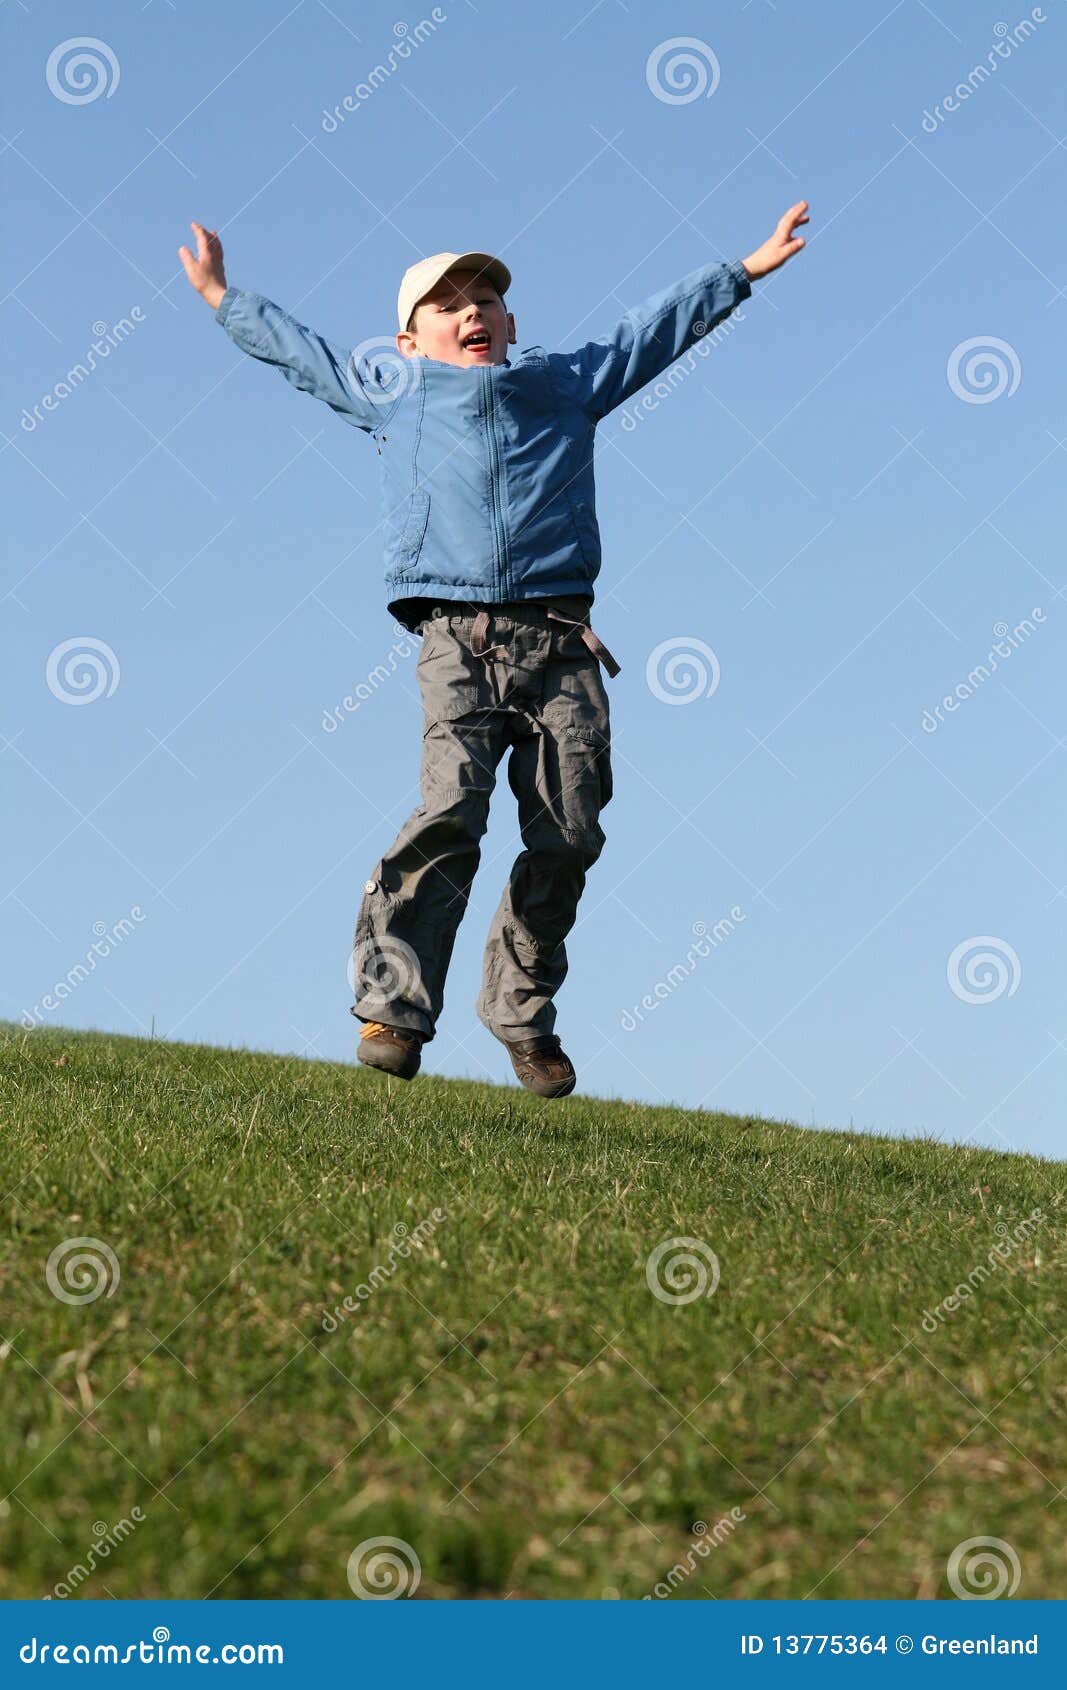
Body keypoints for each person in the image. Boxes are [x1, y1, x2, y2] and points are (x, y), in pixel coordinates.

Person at [179, 204, 808, 1097]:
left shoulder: (563, 385)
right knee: (452, 810)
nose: (471, 312)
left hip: (560, 645)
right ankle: (393, 1008)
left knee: (570, 832)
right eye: (448, 305)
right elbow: (303, 355)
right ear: (408, 338)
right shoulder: (392, 393)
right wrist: (221, 296)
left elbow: (650, 333)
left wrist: (741, 270)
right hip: (458, 641)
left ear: (510, 326)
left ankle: (519, 1011)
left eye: (486, 300)